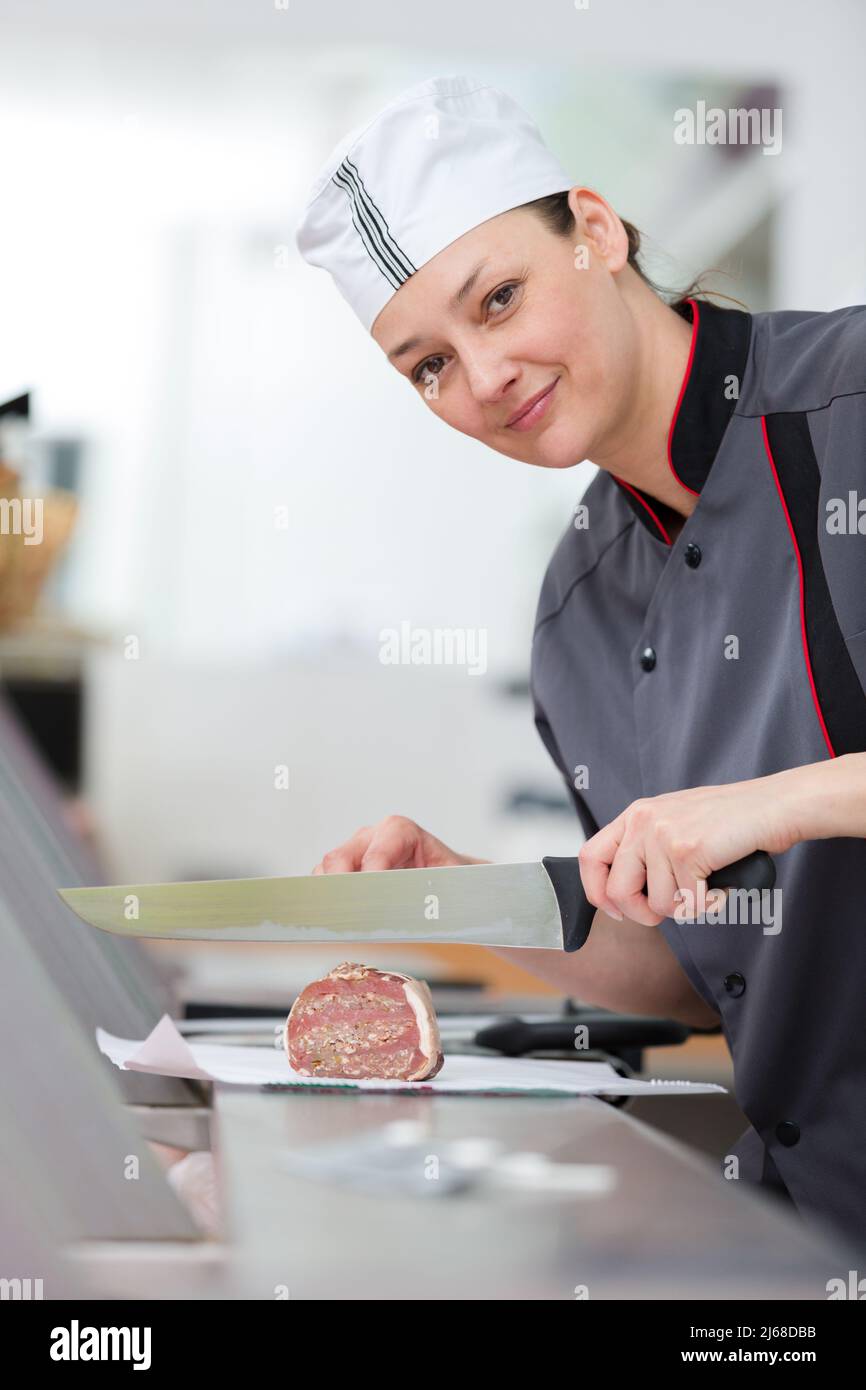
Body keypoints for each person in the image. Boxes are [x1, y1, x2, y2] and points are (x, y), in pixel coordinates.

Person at [295, 74, 866, 1254]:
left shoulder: (852, 403)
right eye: (428, 366)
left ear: (596, 230)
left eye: (496, 299)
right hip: (805, 1234)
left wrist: (770, 803)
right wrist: (457, 889)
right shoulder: (573, 613)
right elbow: (685, 970)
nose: (484, 376)